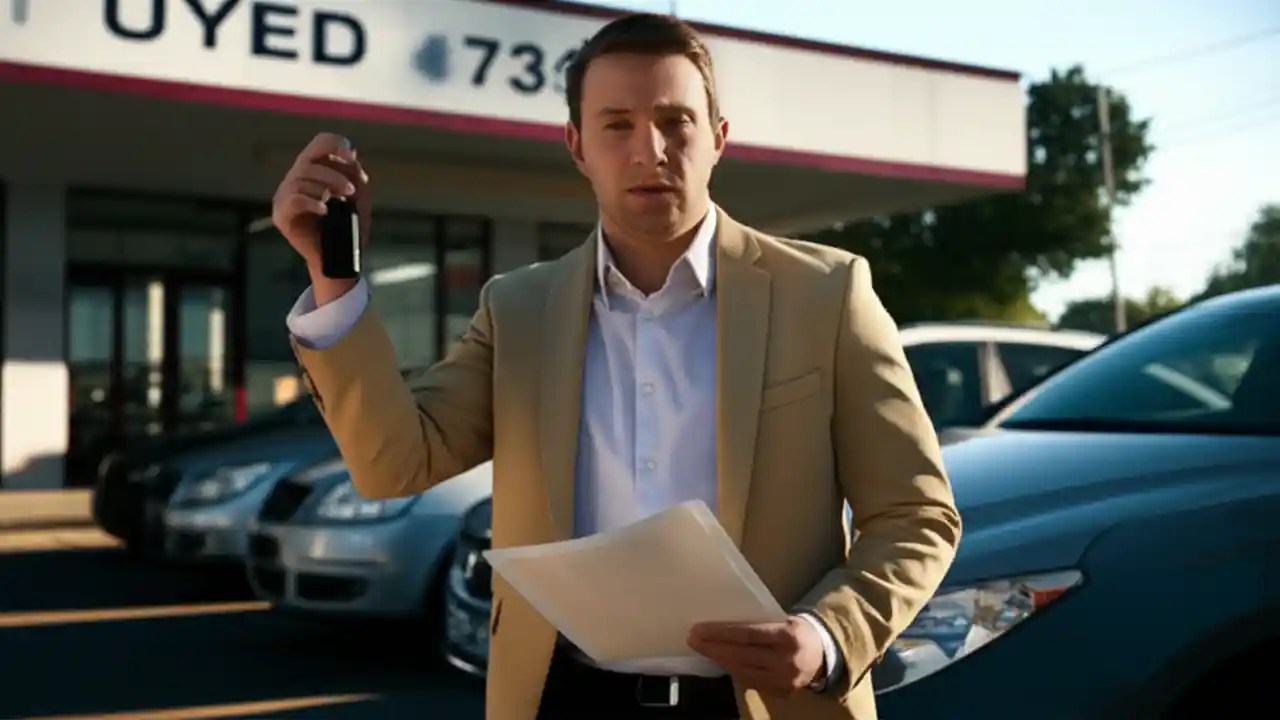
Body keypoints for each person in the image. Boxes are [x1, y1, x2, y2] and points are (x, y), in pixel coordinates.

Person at [273, 13, 960, 720]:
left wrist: (826, 634)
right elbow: (394, 463)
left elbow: (915, 515)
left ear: (719, 138)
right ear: (576, 145)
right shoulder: (518, 310)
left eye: (675, 121)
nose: (650, 150)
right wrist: (335, 279)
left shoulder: (826, 293)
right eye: (617, 125)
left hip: (767, 704)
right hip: (562, 698)